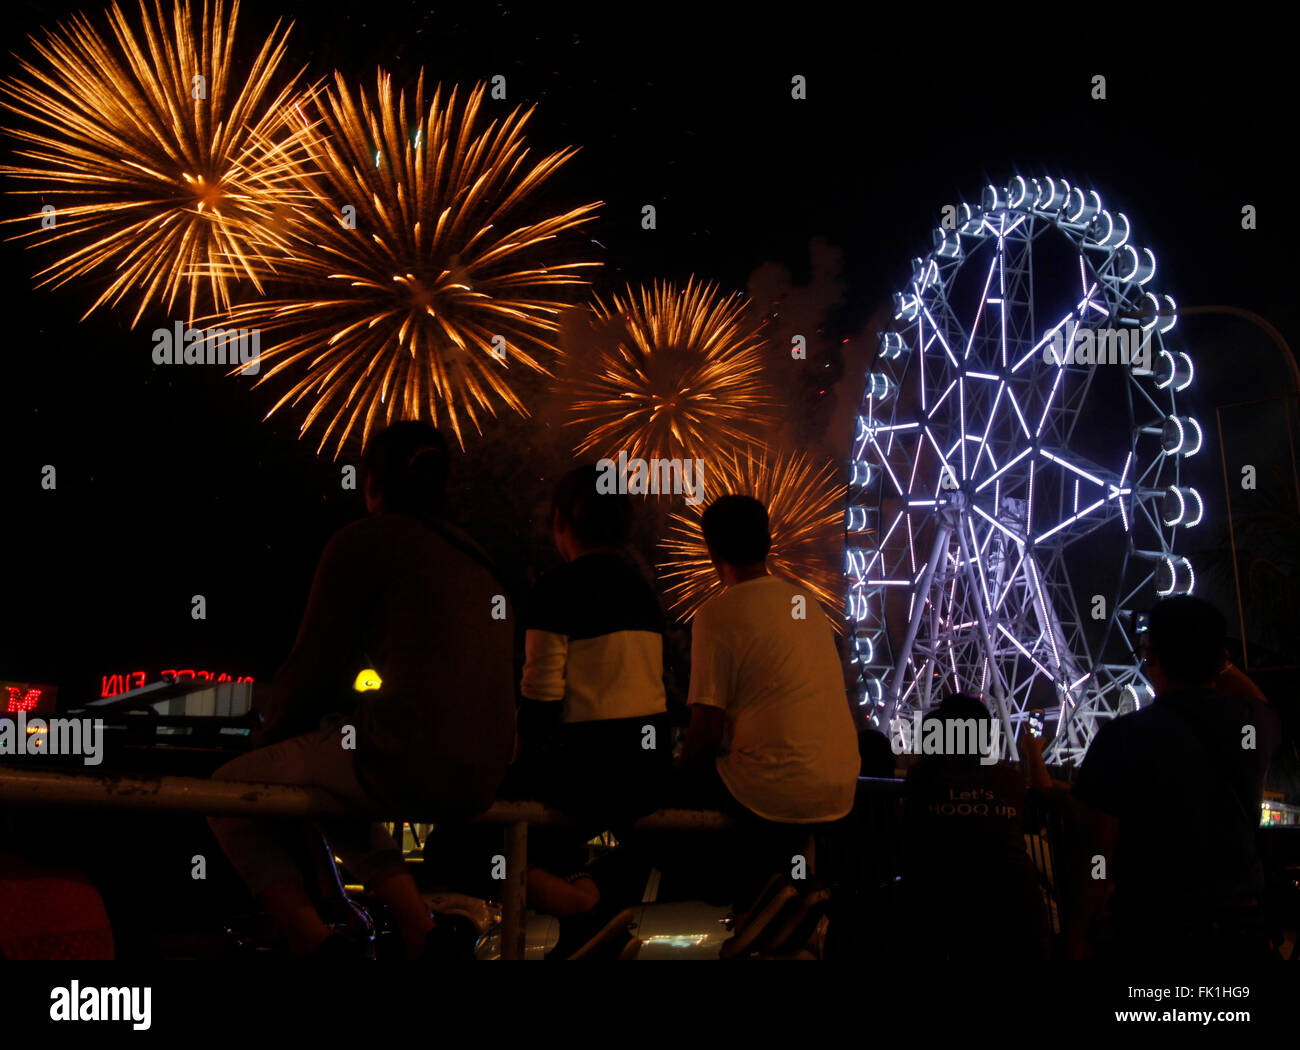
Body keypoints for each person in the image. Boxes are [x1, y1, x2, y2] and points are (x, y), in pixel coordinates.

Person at [208, 422, 516, 959]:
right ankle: (421, 929)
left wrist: (271, 744)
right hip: (488, 773)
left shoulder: (365, 540)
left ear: (372, 482)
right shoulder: (481, 560)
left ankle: (319, 944)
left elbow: (312, 663)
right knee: (336, 779)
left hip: (411, 757)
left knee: (228, 793)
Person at [510, 464, 672, 958]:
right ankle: (591, 915)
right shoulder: (645, 593)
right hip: (646, 770)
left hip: (583, 768)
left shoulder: (556, 589)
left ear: (561, 521)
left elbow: (541, 694)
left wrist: (520, 763)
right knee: (569, 848)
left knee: (468, 842)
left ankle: (585, 910)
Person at [1069, 595, 1282, 962]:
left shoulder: (1122, 738)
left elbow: (1096, 853)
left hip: (1154, 933)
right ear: (1220, 658)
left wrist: (1076, 934)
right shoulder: (1255, 725)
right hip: (1240, 931)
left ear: (1151, 658)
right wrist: (1222, 665)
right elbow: (1259, 700)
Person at [679, 494, 859, 921]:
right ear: (769, 542)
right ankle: (784, 902)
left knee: (662, 807)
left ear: (711, 552)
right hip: (841, 785)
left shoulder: (715, 614)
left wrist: (682, 775)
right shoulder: (807, 605)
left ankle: (747, 901)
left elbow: (704, 727)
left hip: (773, 788)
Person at [899, 694, 1050, 963]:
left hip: (948, 910)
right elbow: (1045, 799)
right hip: (1019, 911)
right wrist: (1034, 754)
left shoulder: (925, 779)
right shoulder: (1009, 780)